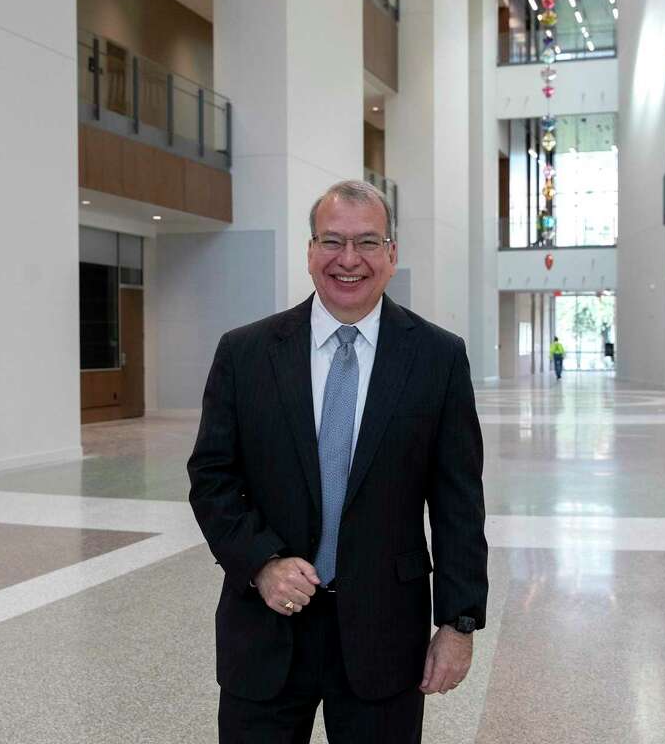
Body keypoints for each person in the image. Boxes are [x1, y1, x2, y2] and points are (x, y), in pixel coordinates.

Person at [188, 179, 488, 743]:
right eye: (332, 241)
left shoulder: (437, 358)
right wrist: (262, 563)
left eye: (368, 242)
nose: (348, 260)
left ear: (392, 255)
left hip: (384, 634)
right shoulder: (246, 353)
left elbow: (458, 503)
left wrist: (458, 622)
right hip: (266, 627)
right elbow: (211, 479)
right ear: (309, 252)